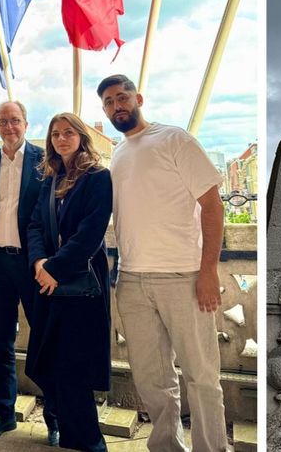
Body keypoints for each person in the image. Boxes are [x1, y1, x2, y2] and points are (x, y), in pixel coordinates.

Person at [98, 74, 229, 452]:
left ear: (138, 98)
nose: (116, 105)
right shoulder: (119, 153)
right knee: (152, 379)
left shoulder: (174, 139)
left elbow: (212, 205)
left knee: (201, 375)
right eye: (108, 102)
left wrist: (208, 272)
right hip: (133, 279)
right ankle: (166, 446)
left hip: (182, 276)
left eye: (122, 97)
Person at [25, 112, 112, 452]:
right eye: (56, 134)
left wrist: (55, 268)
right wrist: (38, 262)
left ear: (81, 137)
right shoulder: (50, 178)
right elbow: (34, 224)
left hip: (81, 286)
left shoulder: (98, 177)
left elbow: (91, 233)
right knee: (51, 362)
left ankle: (89, 440)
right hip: (49, 284)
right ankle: (70, 436)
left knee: (74, 365)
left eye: (68, 133)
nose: (62, 139)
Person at [0, 100, 59, 440]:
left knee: (45, 340)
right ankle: (4, 412)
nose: (9, 127)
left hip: (34, 266)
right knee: (0, 343)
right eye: (3, 121)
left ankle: (54, 418)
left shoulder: (45, 162)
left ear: (26, 124)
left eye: (15, 120)